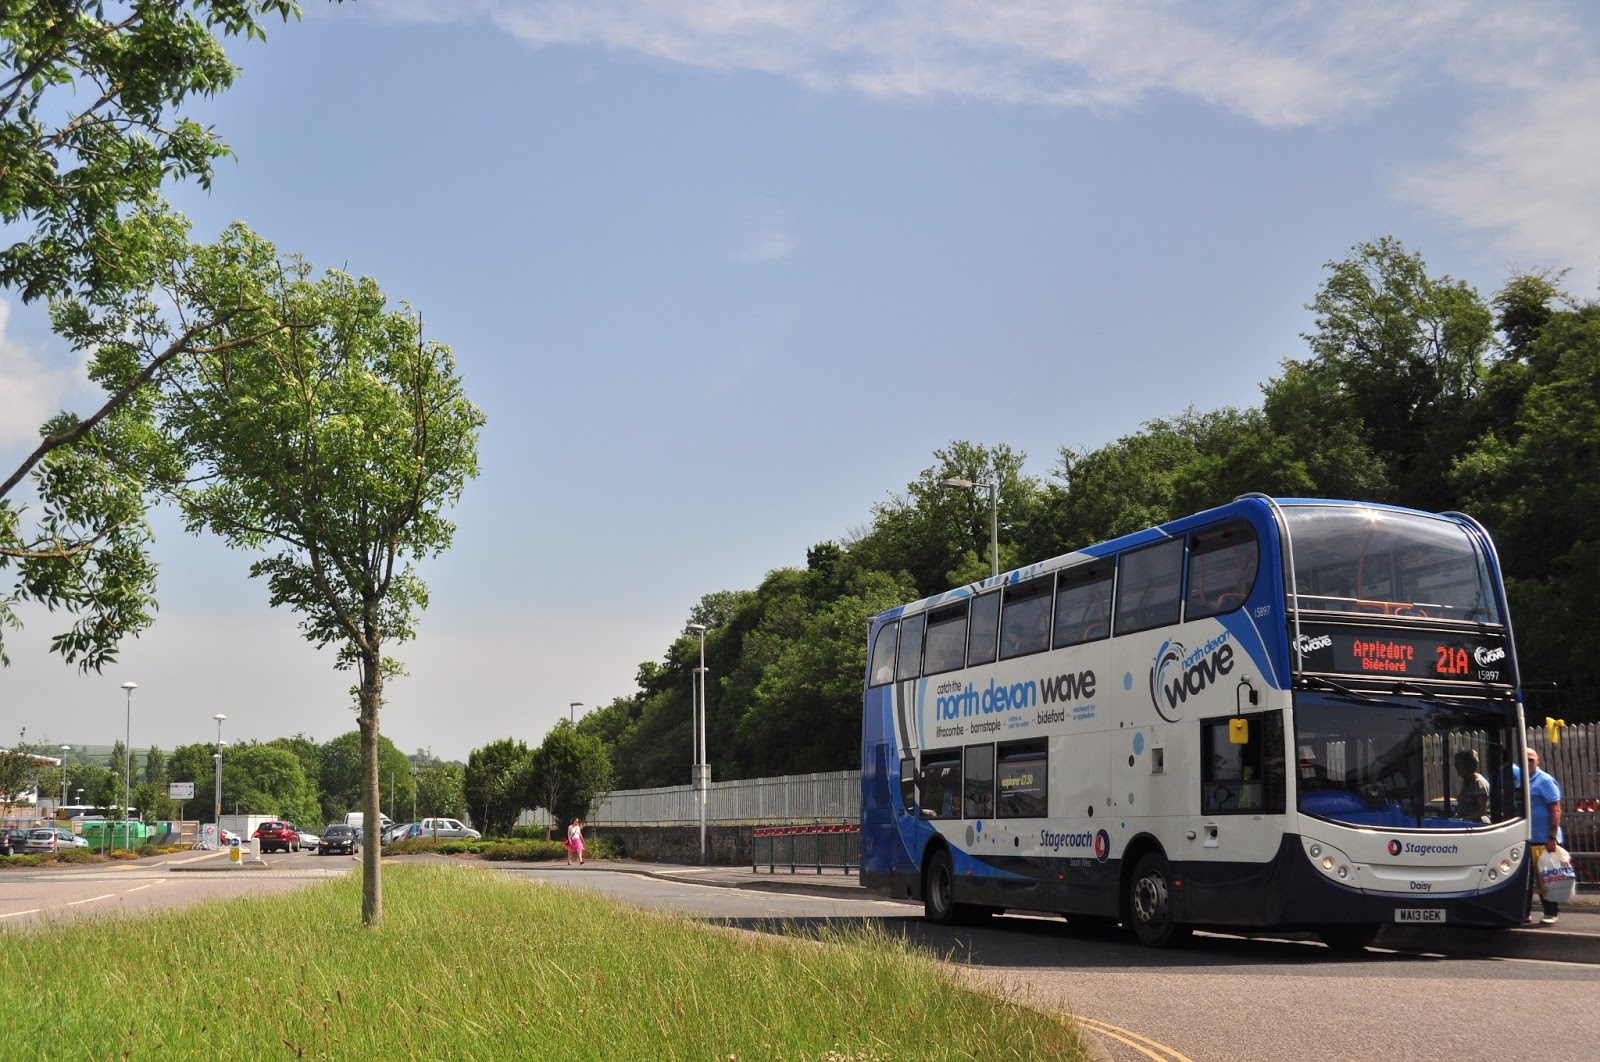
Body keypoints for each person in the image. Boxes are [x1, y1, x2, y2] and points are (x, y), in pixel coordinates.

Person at [1525, 748, 1564, 925]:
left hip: (1543, 838)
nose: (1528, 763)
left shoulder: (1545, 781)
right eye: (1525, 760)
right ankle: (1524, 913)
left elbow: (1555, 809)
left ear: (1537, 761)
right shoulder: (1520, 781)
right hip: (1525, 837)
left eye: (1531, 760)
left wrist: (1552, 837)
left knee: (1546, 877)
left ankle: (1550, 912)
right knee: (1525, 879)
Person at [1453, 749, 1490, 824]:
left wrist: (1465, 820)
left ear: (1468, 767)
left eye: (1460, 769)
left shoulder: (1479, 783)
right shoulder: (1467, 782)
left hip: (1478, 825)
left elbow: (1482, 811)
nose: (1458, 774)